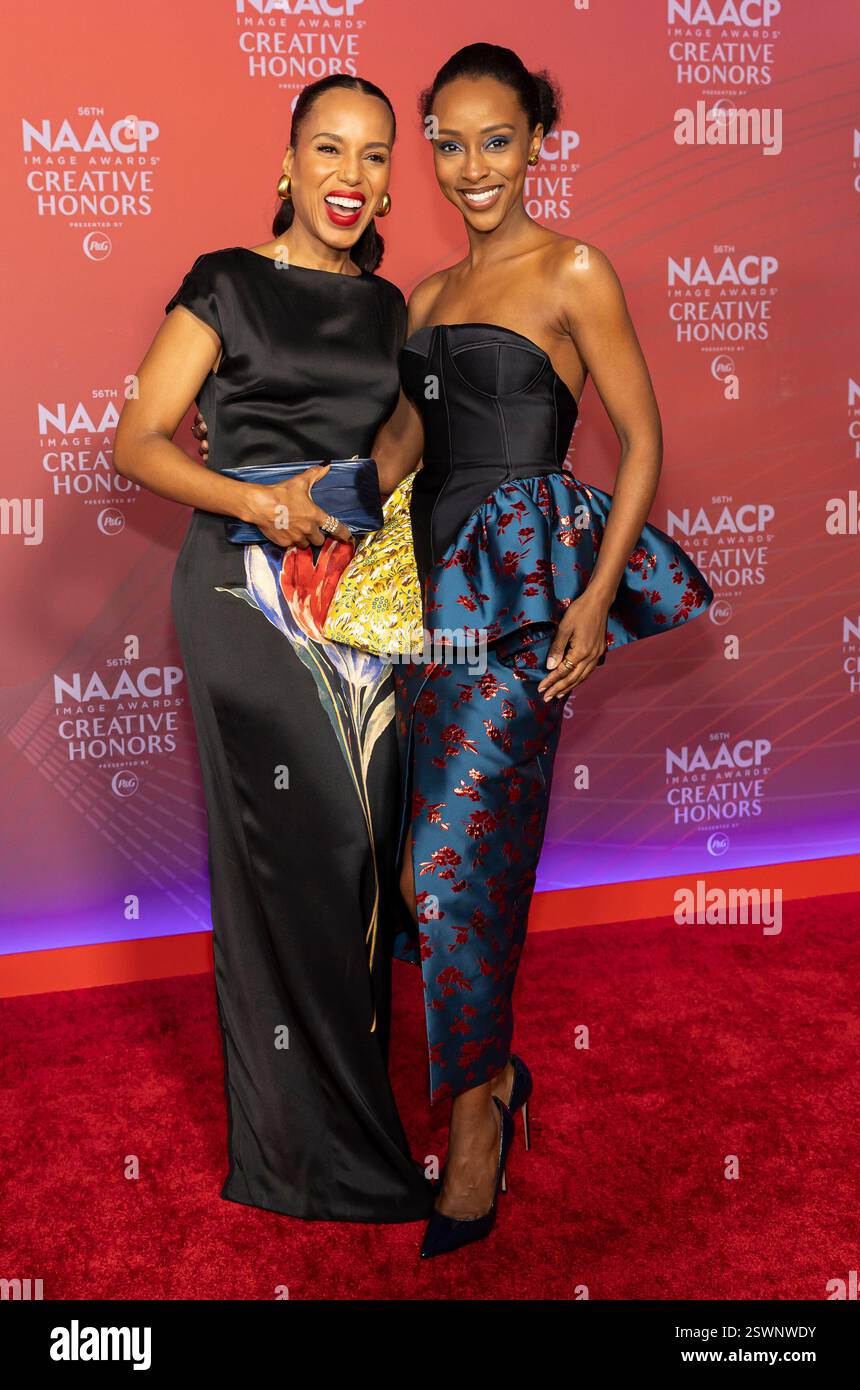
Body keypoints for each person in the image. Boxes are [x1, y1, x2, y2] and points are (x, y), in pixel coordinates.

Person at [371, 43, 715, 1256]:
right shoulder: (417, 300)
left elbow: (640, 437)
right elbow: (406, 450)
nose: (472, 168)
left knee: (458, 870)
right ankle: (496, 1080)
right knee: (416, 879)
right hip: (427, 606)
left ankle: (473, 1128)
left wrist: (595, 596)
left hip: (521, 608)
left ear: (534, 140)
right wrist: (295, 497)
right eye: (449, 144)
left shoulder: (574, 270)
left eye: (495, 141)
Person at [114, 75, 432, 1223]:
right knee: (296, 846)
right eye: (328, 151)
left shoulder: (392, 306)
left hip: (356, 595)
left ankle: (352, 1117)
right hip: (241, 587)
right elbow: (137, 442)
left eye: (374, 155)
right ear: (288, 163)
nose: (352, 176)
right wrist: (263, 507)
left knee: (358, 845)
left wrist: (371, 484)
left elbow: (401, 427)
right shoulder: (227, 281)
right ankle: (301, 1153)